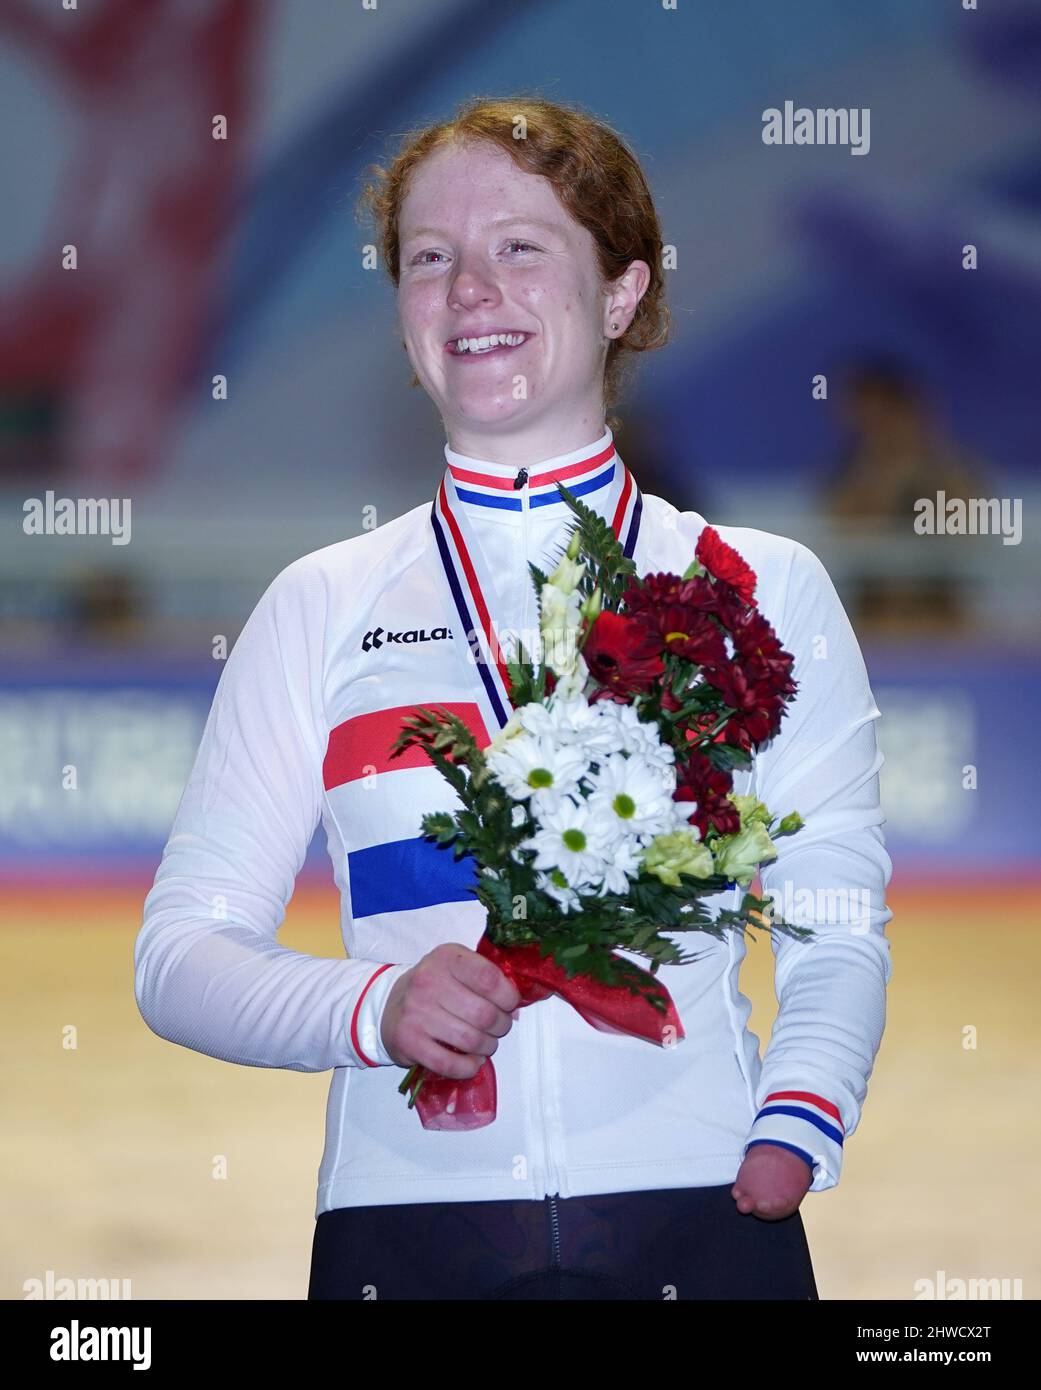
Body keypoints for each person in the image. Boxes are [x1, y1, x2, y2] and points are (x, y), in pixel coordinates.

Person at [134, 96, 893, 1301]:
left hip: (703, 1213)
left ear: (623, 294)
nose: (469, 289)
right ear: (400, 319)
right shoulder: (318, 604)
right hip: (405, 1232)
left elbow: (834, 911)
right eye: (429, 258)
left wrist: (798, 1118)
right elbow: (177, 956)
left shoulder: (758, 588)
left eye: (520, 248)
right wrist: (373, 1007)